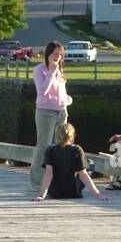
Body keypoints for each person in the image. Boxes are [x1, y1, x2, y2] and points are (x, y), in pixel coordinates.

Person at [31, 121, 109, 202]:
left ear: (56, 136)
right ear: (71, 137)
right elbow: (83, 175)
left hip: (55, 193)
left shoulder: (50, 150)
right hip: (74, 192)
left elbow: (48, 174)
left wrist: (41, 195)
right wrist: (98, 194)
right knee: (90, 163)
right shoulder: (77, 149)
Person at [29, 40, 70, 190]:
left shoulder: (60, 70)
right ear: (48, 54)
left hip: (61, 111)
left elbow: (60, 91)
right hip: (45, 113)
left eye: (59, 55)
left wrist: (67, 100)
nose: (56, 58)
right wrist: (51, 72)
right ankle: (36, 182)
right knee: (43, 146)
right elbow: (43, 91)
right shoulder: (39, 70)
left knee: (60, 147)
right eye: (54, 54)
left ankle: (54, 179)